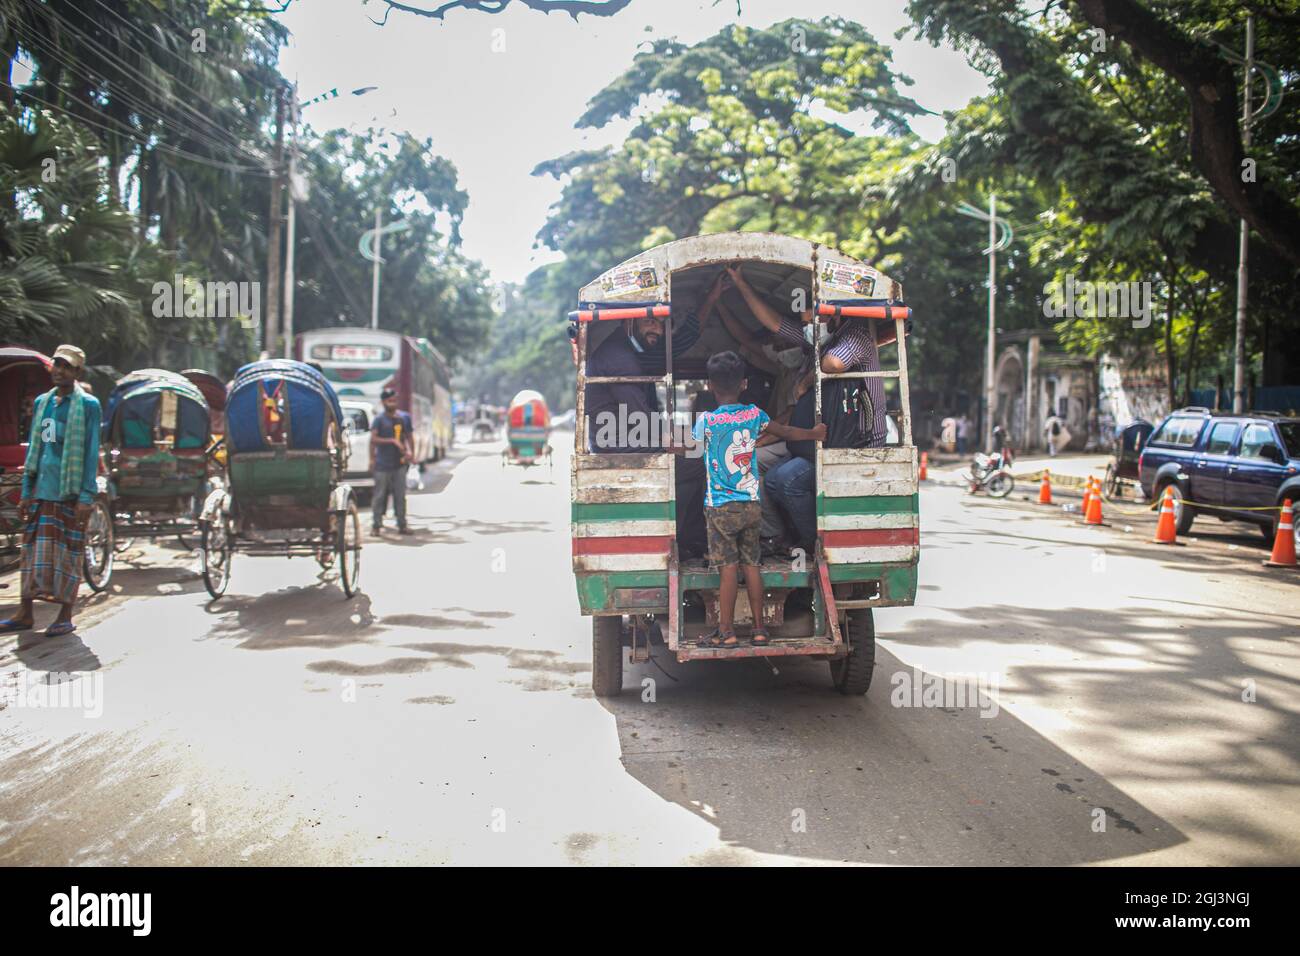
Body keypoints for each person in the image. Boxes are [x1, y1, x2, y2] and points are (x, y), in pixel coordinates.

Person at [691, 351, 825, 648]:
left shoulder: (707, 422)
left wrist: (664, 445)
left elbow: (691, 448)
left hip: (719, 509)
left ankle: (725, 632)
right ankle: (760, 630)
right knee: (751, 565)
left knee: (727, 569)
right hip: (751, 505)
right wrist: (815, 433)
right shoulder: (754, 414)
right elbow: (787, 431)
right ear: (744, 384)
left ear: (710, 386)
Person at [584, 312, 707, 559]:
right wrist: (674, 443)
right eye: (650, 321)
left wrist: (679, 439)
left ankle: (688, 537)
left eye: (661, 324)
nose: (659, 330)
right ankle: (688, 539)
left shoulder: (622, 349)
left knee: (692, 454)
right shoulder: (620, 358)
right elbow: (638, 416)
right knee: (699, 464)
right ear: (629, 321)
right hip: (620, 444)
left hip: (623, 438)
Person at [0, 345, 101, 637]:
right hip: (41, 489)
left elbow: (91, 452)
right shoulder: (44, 403)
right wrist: (27, 490)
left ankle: (65, 614)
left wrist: (86, 496)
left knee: (68, 552)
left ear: (77, 372)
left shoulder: (88, 405)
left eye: (66, 367)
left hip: (69, 492)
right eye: (56, 365)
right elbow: (37, 447)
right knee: (31, 552)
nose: (59, 371)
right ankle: (25, 612)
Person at [370, 387, 414, 536]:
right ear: (383, 402)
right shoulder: (379, 420)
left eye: (395, 400)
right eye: (390, 401)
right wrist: (392, 442)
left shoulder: (403, 418)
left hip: (399, 464)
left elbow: (408, 436)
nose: (393, 403)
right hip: (382, 464)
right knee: (379, 495)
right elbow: (373, 439)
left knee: (400, 495)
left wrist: (410, 453)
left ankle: (402, 524)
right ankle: (376, 525)